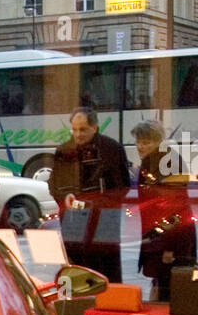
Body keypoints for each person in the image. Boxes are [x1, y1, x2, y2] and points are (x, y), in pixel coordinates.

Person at [48, 107, 130, 282]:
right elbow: (54, 184)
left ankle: (109, 302)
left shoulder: (112, 148)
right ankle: (75, 304)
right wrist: (65, 196)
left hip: (105, 218)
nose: (78, 134)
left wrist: (101, 202)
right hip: (74, 218)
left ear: (95, 128)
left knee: (107, 266)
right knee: (76, 265)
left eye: (83, 129)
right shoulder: (64, 150)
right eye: (74, 129)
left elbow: (122, 186)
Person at [132, 119, 196, 301]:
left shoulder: (164, 163)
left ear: (158, 141)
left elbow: (173, 206)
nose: (140, 146)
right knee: (162, 285)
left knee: (166, 289)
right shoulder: (159, 160)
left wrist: (170, 247)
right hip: (161, 238)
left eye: (145, 142)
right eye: (138, 141)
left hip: (166, 240)